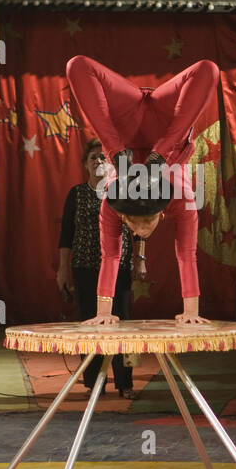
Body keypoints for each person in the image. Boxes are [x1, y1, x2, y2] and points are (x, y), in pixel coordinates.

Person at [65, 54, 219, 326]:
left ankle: (138, 151)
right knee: (75, 64)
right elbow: (111, 255)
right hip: (158, 121)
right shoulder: (128, 205)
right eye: (138, 222)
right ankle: (148, 150)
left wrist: (120, 152)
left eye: (145, 221)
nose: (142, 229)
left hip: (139, 128)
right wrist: (103, 313)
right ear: (124, 218)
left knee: (209, 68)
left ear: (160, 214)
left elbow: (186, 254)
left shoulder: (155, 198)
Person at [57, 139, 135, 398]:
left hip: (119, 270)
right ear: (85, 166)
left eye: (104, 157)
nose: (99, 161)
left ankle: (125, 383)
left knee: (122, 325)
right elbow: (66, 234)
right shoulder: (76, 194)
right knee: (90, 325)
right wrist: (63, 270)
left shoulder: (123, 192)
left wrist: (142, 259)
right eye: (93, 157)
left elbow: (140, 227)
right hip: (85, 268)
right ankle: (94, 383)